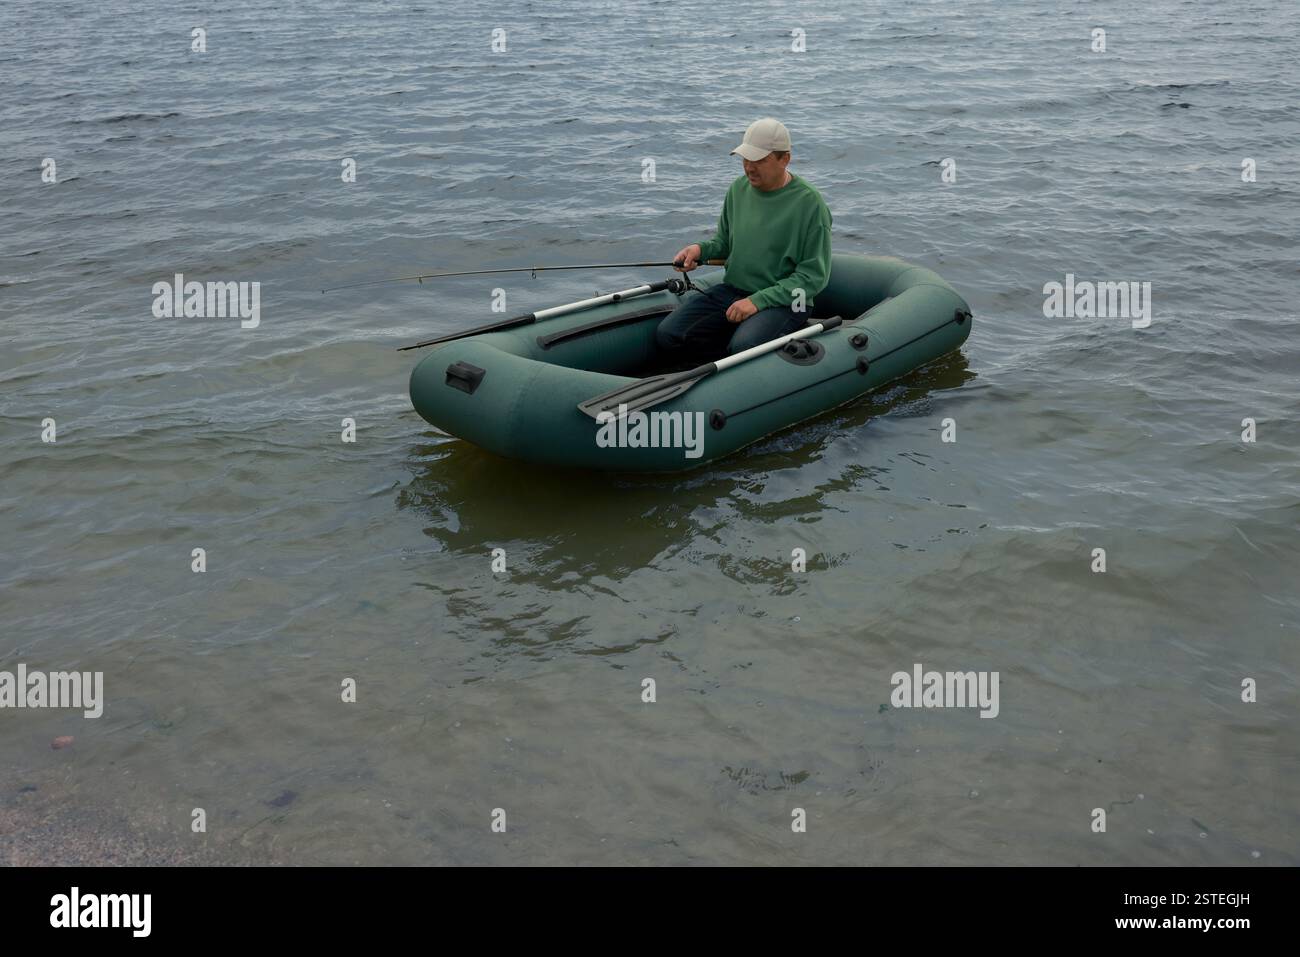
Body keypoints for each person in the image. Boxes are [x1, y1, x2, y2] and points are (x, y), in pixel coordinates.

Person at [656, 118, 833, 366]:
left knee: (743, 347)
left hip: (789, 301)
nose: (749, 167)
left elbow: (813, 277)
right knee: (669, 334)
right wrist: (699, 250)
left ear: (785, 159)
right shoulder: (737, 190)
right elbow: (724, 243)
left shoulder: (810, 205)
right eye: (745, 159)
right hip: (734, 290)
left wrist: (757, 302)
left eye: (759, 160)